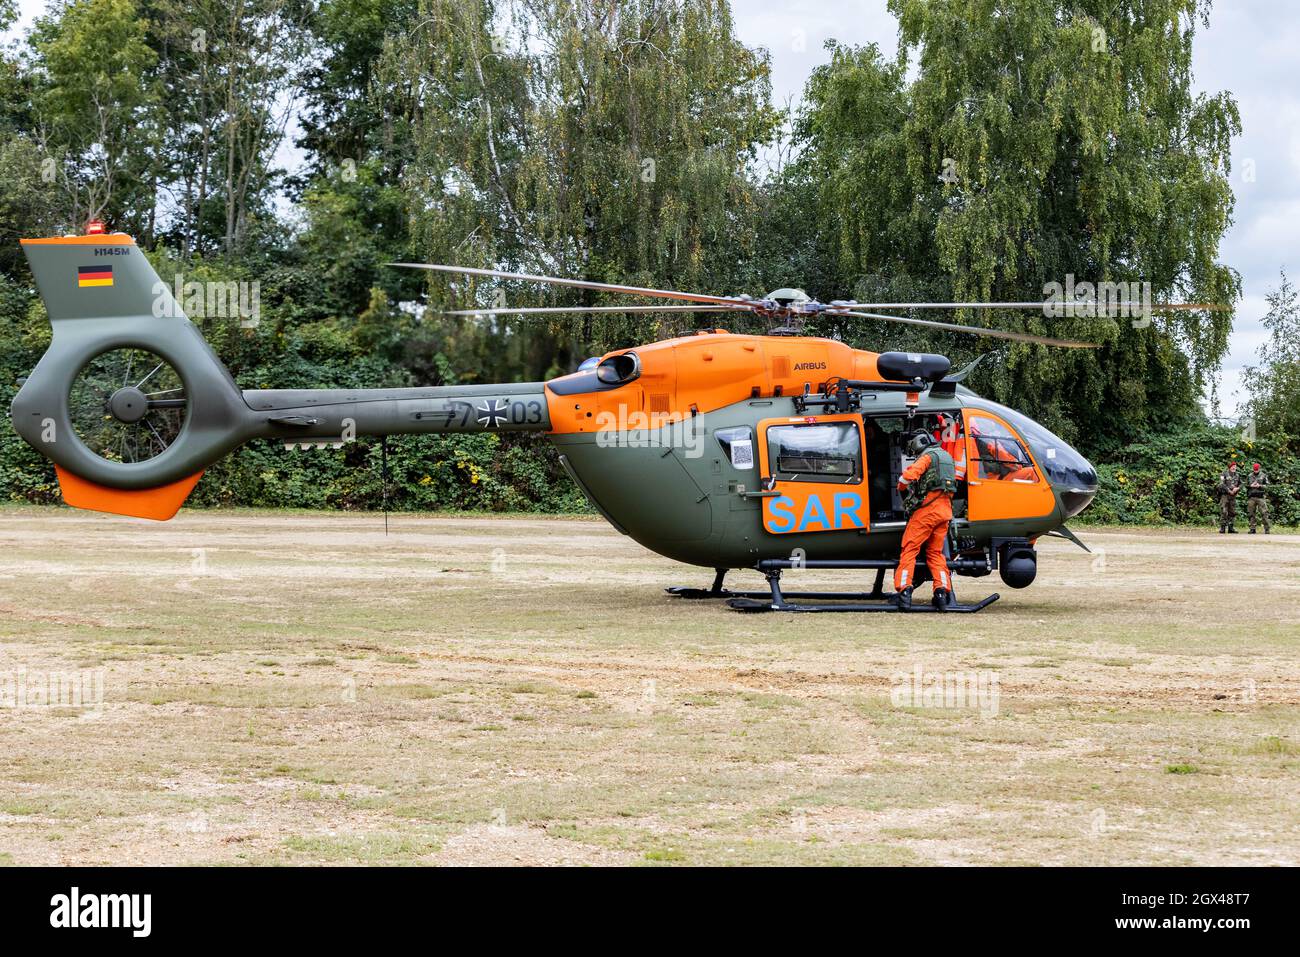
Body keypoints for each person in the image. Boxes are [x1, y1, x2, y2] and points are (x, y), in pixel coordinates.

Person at [893, 431, 958, 610]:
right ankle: (942, 593)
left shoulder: (928, 457)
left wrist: (902, 489)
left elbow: (907, 477)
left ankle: (905, 591)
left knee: (910, 549)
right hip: (945, 511)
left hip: (928, 511)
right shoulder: (947, 457)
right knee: (936, 554)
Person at [1216, 461, 1241, 534]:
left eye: (1235, 467)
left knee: (1232, 512)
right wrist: (1228, 490)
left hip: (1233, 496)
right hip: (1225, 495)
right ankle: (1222, 528)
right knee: (1224, 511)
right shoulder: (1224, 474)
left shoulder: (1237, 475)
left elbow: (1241, 483)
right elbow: (1221, 484)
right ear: (1230, 467)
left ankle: (1231, 528)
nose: (1234, 468)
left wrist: (1238, 488)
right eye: (1233, 467)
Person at [1246, 462, 1271, 534]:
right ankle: (1252, 528)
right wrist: (1251, 485)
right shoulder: (1249, 476)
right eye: (1254, 469)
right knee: (1251, 513)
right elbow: (1245, 485)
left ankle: (1267, 529)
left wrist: (1259, 486)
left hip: (1260, 497)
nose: (1255, 471)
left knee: (1264, 513)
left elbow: (1267, 486)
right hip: (1252, 497)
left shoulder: (1263, 475)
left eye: (1257, 470)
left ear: (1259, 469)